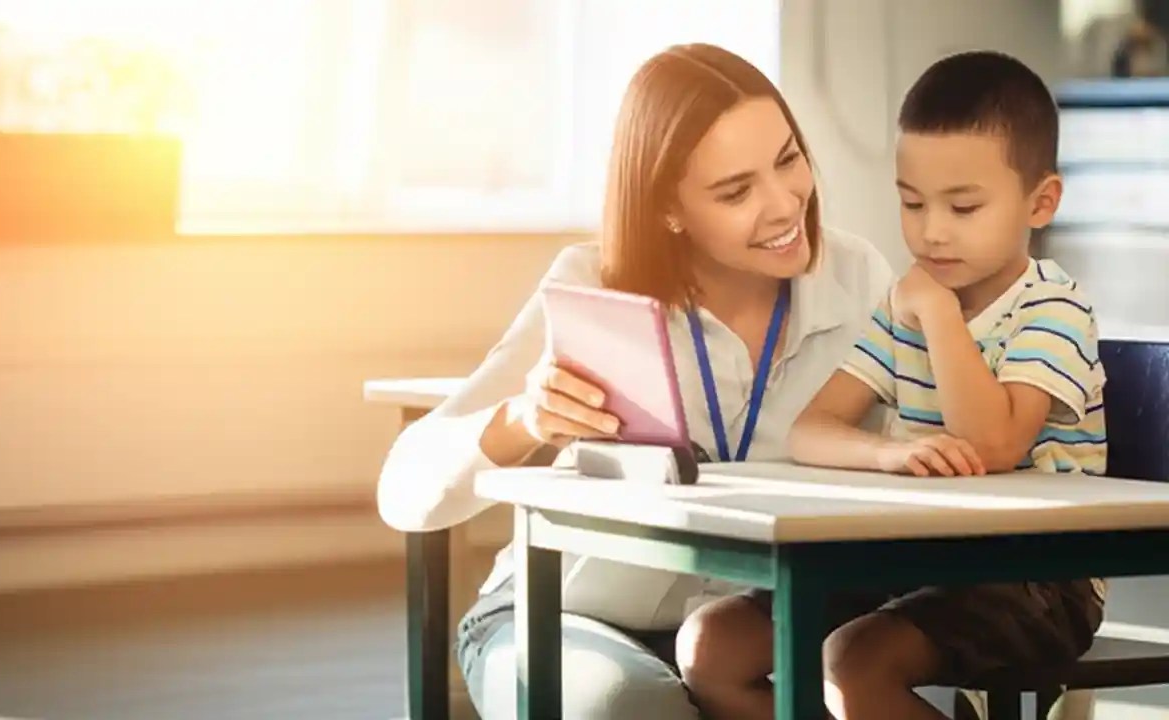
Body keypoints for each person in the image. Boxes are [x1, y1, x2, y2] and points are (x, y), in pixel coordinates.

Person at [375, 43, 893, 719]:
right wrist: (521, 421)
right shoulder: (591, 285)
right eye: (736, 191)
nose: (783, 204)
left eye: (788, 160)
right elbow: (406, 495)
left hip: (760, 633)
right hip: (573, 618)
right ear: (669, 210)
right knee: (627, 708)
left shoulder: (860, 281)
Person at [677, 51, 1106, 720]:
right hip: (918, 559)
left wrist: (938, 315)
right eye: (912, 203)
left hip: (1038, 577)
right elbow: (812, 431)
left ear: (1040, 202)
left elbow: (992, 443)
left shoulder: (1051, 309)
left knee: (852, 665)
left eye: (963, 207)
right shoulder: (901, 307)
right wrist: (887, 453)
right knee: (714, 646)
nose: (931, 231)